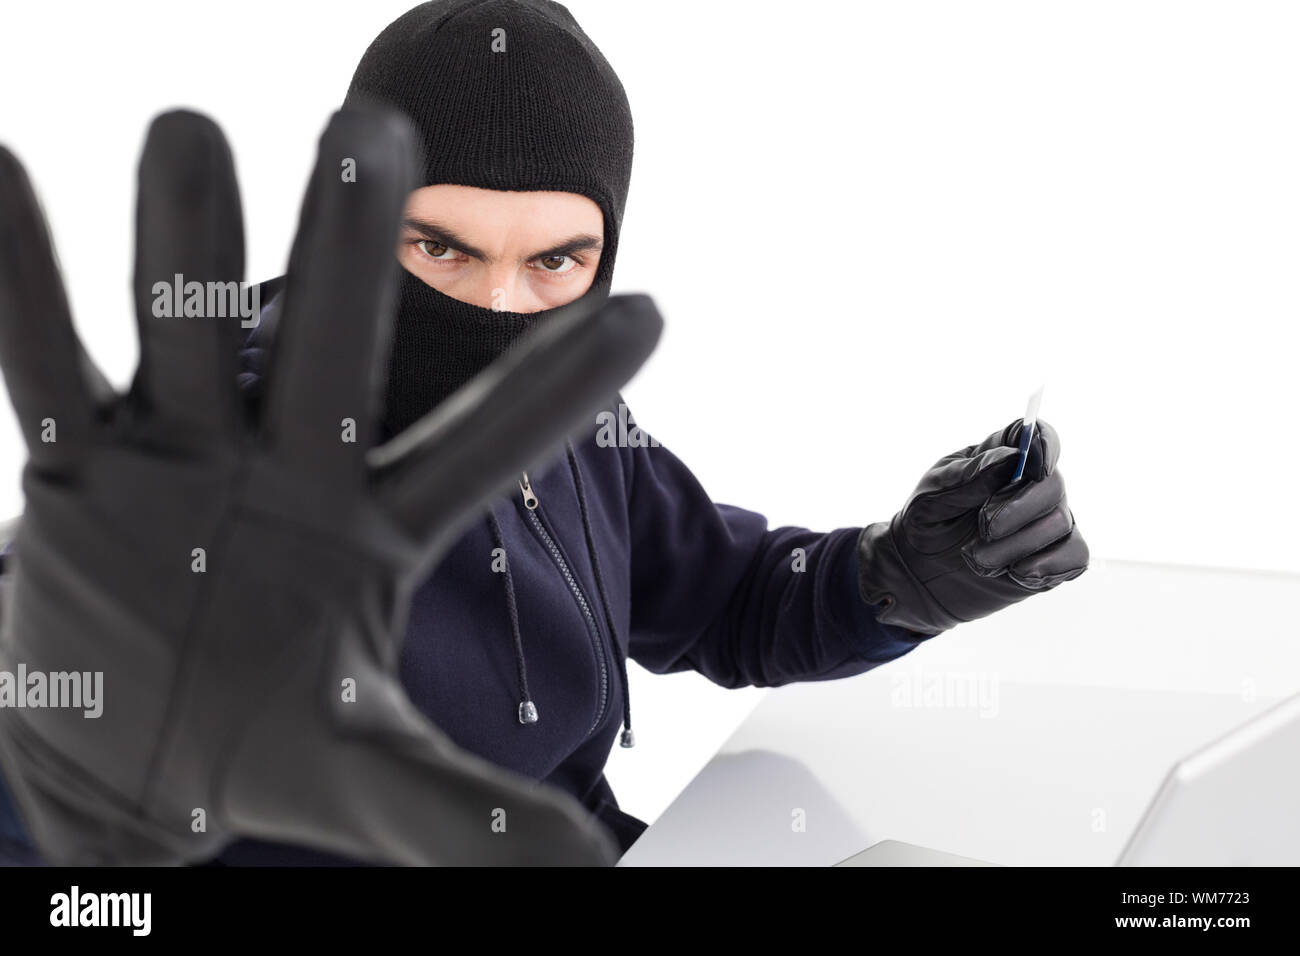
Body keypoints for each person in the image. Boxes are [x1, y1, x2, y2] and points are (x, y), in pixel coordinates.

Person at [0, 0, 1088, 866]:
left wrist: (897, 574)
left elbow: (726, 596)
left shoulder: (567, 416)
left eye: (556, 260)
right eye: (441, 248)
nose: (502, 311)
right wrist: (57, 773)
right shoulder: (201, 478)